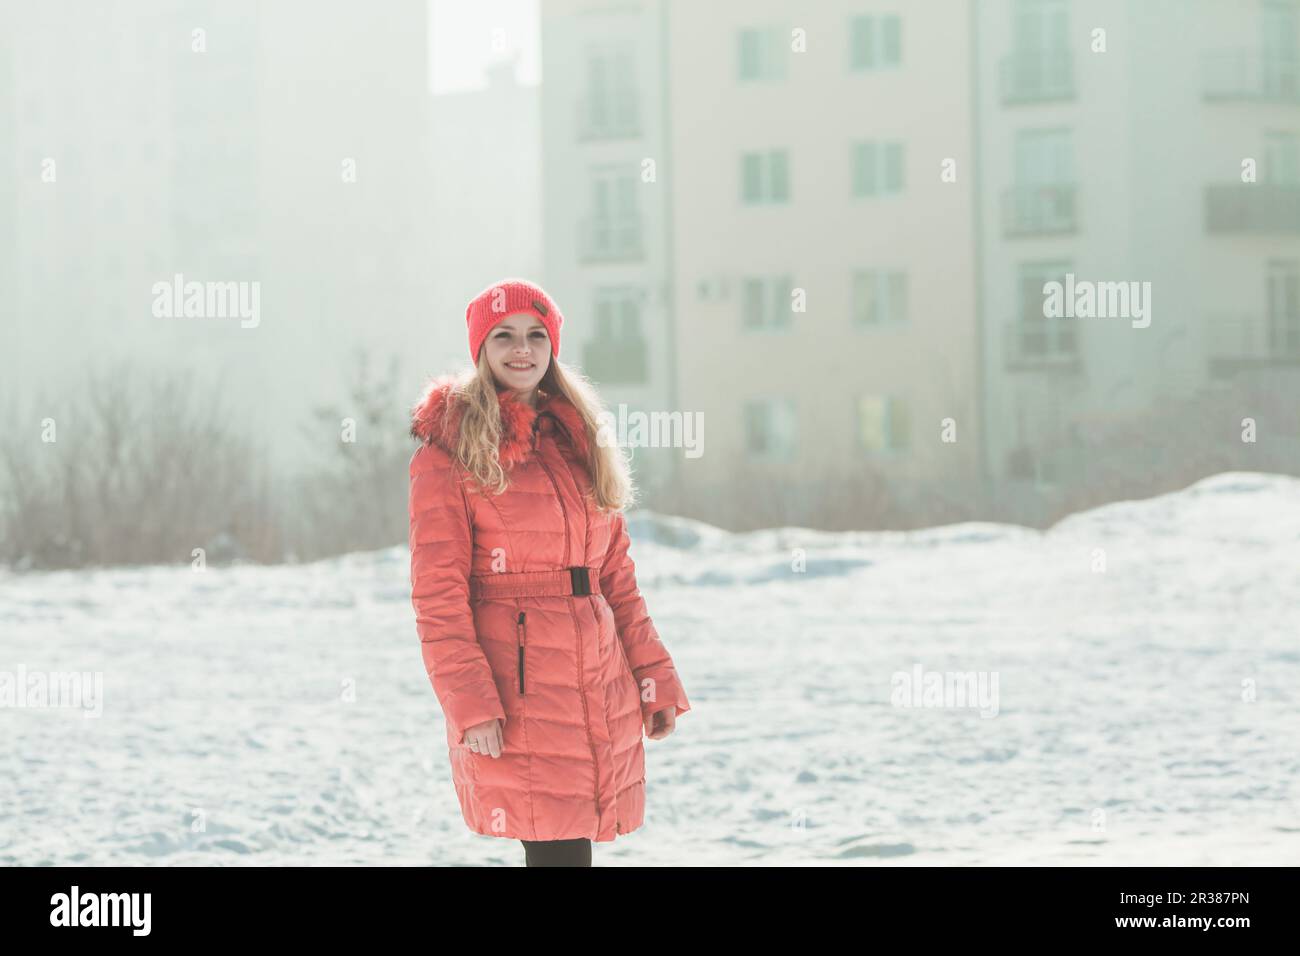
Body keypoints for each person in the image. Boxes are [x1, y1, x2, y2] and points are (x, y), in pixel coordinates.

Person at [407, 278, 691, 866]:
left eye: (537, 335)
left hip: (597, 674)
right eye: (504, 335)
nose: (522, 348)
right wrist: (471, 702)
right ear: (480, 348)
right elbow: (438, 595)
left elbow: (615, 577)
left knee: (571, 841)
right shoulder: (449, 452)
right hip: (520, 685)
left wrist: (652, 676)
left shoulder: (579, 438)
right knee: (557, 846)